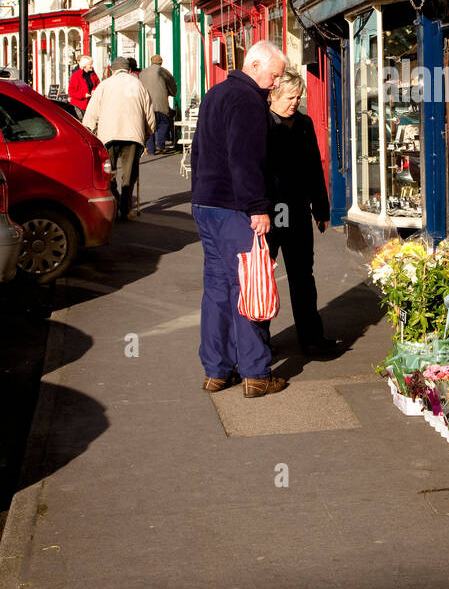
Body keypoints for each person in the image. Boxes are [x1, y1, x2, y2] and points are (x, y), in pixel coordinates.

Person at [190, 40, 289, 398]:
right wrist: (258, 207)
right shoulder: (248, 100)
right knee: (251, 286)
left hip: (207, 204)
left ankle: (216, 371)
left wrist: (198, 194)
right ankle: (255, 373)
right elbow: (244, 159)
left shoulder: (215, 94)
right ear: (255, 64)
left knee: (218, 289)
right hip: (235, 208)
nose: (276, 84)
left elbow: (198, 151)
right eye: (274, 76)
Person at [266, 69, 340, 357]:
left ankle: (311, 336)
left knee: (302, 276)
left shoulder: (305, 124)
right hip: (268, 213)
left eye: (299, 97)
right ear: (273, 95)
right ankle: (258, 343)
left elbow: (313, 169)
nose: (295, 102)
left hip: (296, 209)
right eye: (290, 97)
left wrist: (321, 208)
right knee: (262, 276)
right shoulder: (260, 122)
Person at [83, 56, 156, 220]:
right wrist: (148, 133)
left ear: (112, 70)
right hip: (133, 134)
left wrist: (88, 129)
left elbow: (92, 111)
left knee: (110, 173)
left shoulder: (105, 85)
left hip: (108, 134)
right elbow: (149, 113)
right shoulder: (138, 84)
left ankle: (114, 202)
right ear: (129, 70)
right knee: (129, 174)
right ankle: (126, 208)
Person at [140, 54, 178, 155]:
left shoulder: (143, 73)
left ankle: (150, 148)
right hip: (161, 104)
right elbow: (172, 87)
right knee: (163, 124)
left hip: (147, 104)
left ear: (151, 62)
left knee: (149, 126)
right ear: (161, 62)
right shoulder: (163, 72)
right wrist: (172, 93)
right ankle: (161, 145)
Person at [68, 55, 99, 120]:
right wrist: (84, 95)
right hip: (79, 106)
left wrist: (94, 90)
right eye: (90, 64)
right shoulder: (76, 75)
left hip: (91, 104)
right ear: (84, 65)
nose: (91, 66)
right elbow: (71, 91)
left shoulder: (93, 74)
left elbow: (98, 84)